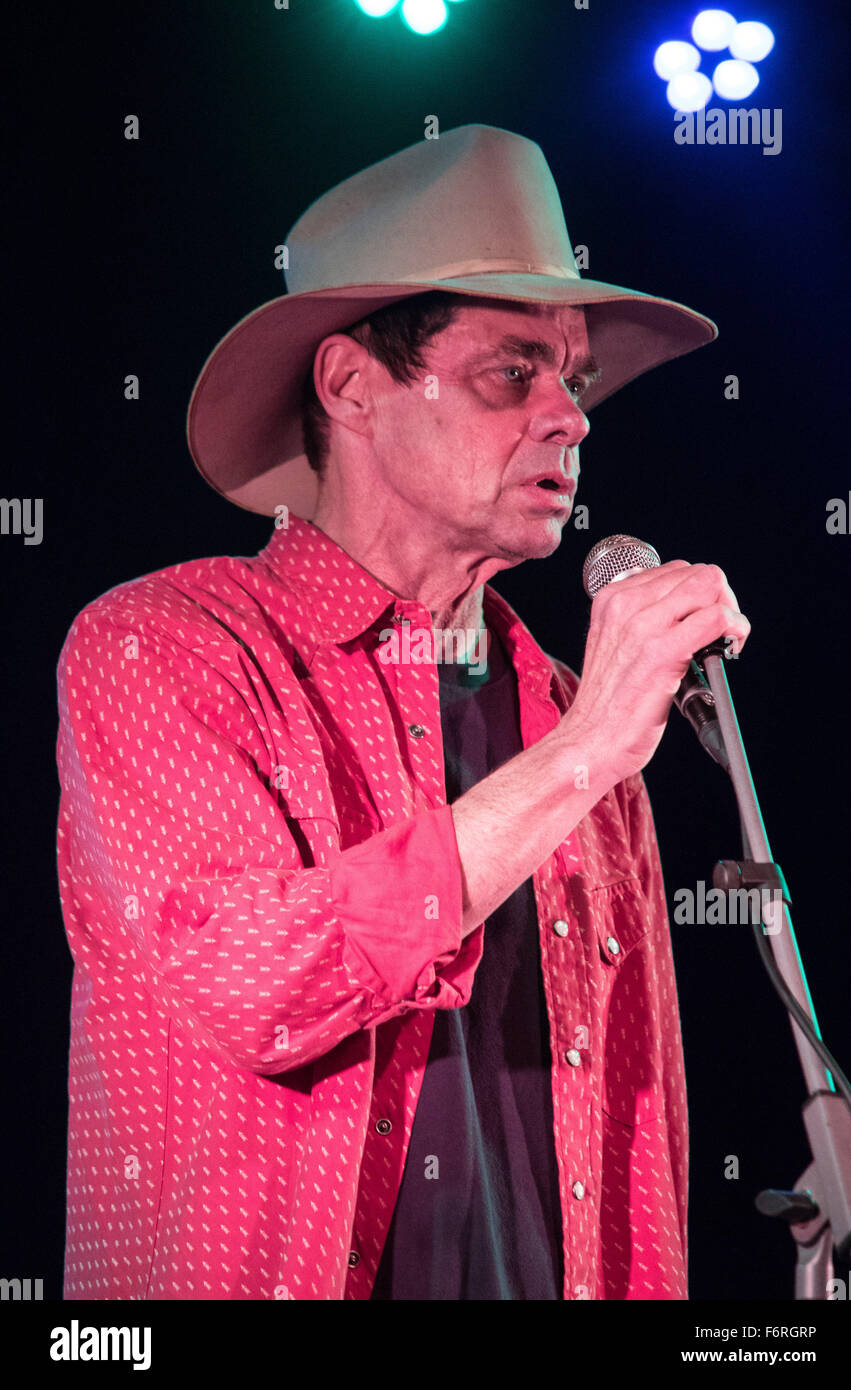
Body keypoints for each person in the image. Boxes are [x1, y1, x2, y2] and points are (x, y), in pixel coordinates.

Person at [55, 124, 749, 1300]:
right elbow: (252, 983)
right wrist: (582, 755)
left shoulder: (569, 709)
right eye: (510, 372)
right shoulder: (168, 644)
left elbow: (636, 1118)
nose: (569, 417)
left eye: (573, 383)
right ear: (351, 387)